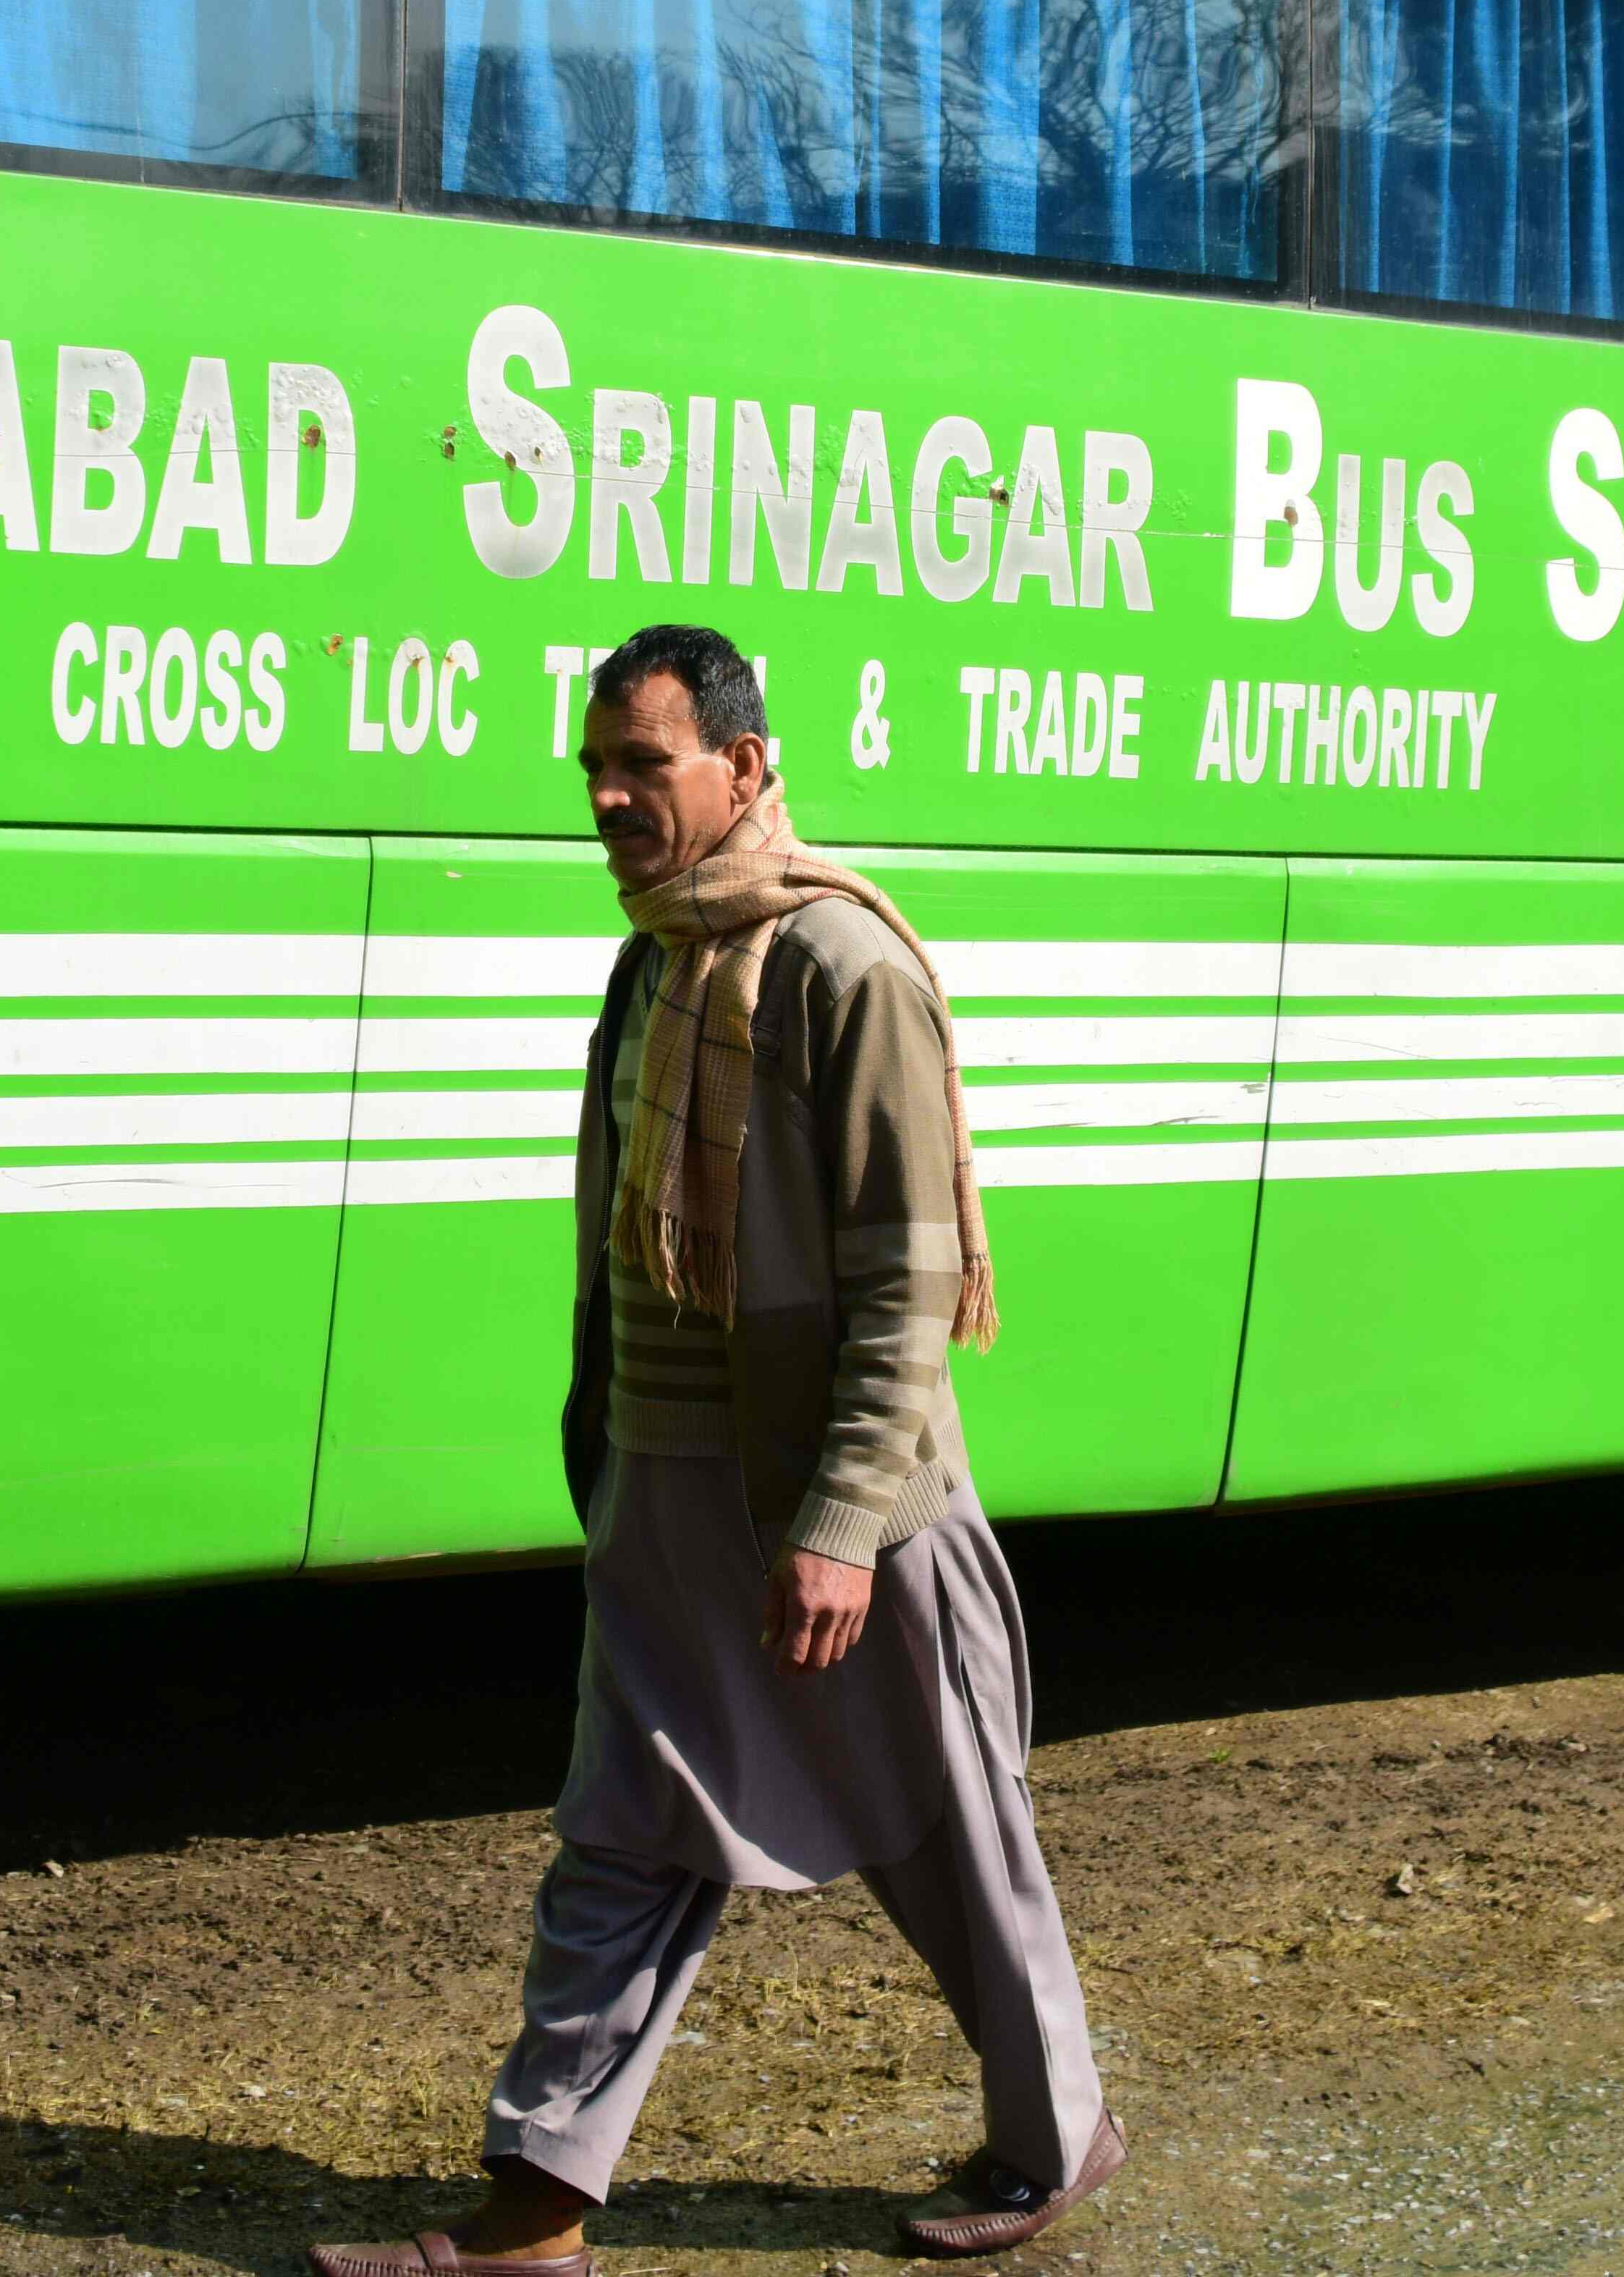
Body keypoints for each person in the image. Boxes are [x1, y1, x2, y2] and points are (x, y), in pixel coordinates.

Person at [313, 622, 1120, 2275]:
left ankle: (1059, 2135)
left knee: (954, 1828)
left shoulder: (841, 965)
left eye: (645, 763)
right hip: (667, 1490)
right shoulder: (653, 960)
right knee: (622, 1835)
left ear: (743, 765)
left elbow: (906, 1276)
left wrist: (839, 1521)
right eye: (594, 768)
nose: (610, 797)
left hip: (842, 1501)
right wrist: (604, 1445)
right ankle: (538, 2212)